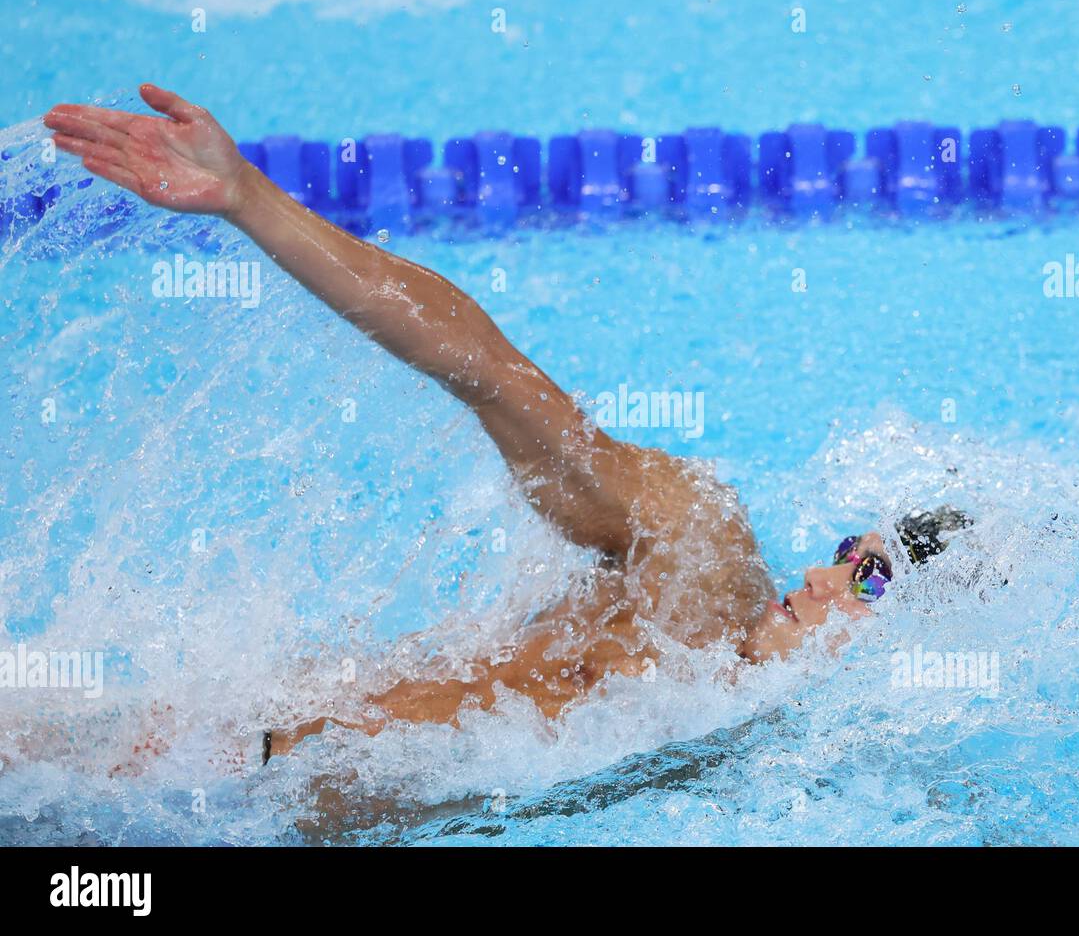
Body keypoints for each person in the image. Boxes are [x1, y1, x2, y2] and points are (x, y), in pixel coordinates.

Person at [44, 85, 959, 762]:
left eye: (867, 578)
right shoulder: (698, 556)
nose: (819, 573)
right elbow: (491, 374)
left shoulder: (759, 735)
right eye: (846, 550)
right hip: (200, 767)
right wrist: (250, 199)